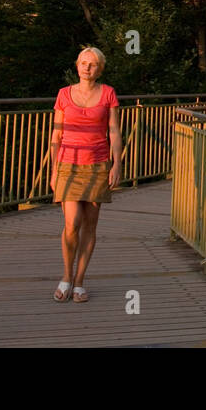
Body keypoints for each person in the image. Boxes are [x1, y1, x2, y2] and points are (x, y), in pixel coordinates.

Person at [50, 46, 121, 303]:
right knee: (72, 223)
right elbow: (56, 135)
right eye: (83, 62)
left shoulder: (108, 94)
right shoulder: (64, 95)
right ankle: (66, 276)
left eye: (92, 64)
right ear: (77, 66)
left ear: (99, 68)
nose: (87, 67)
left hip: (98, 164)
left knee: (90, 225)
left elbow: (114, 131)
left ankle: (79, 281)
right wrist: (53, 170)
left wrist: (116, 164)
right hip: (68, 165)